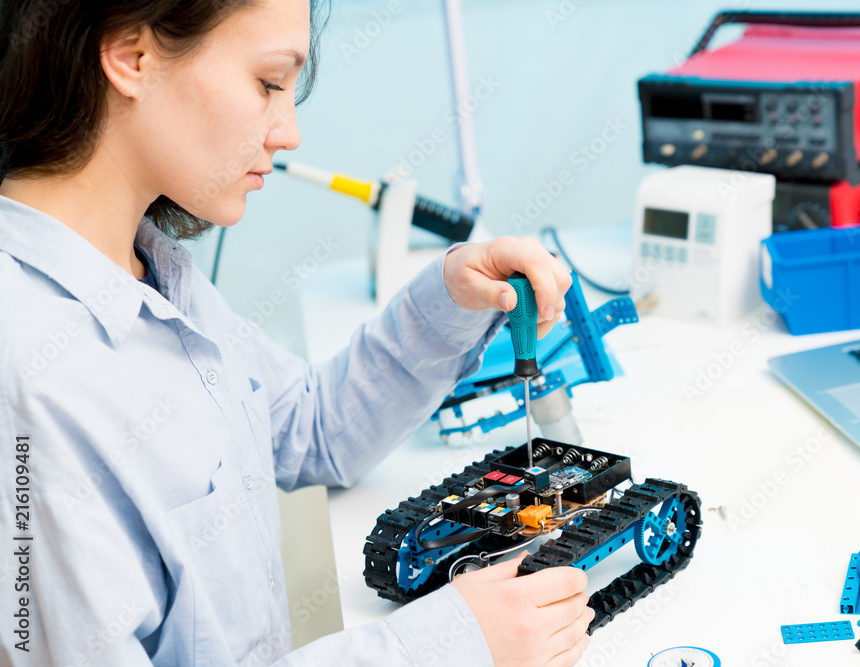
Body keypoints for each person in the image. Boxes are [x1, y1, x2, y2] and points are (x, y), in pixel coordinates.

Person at [0, 0, 592, 665]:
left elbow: (308, 427)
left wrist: (452, 296)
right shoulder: (28, 379)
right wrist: (442, 646)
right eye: (269, 83)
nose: (289, 133)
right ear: (131, 58)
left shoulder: (151, 269)